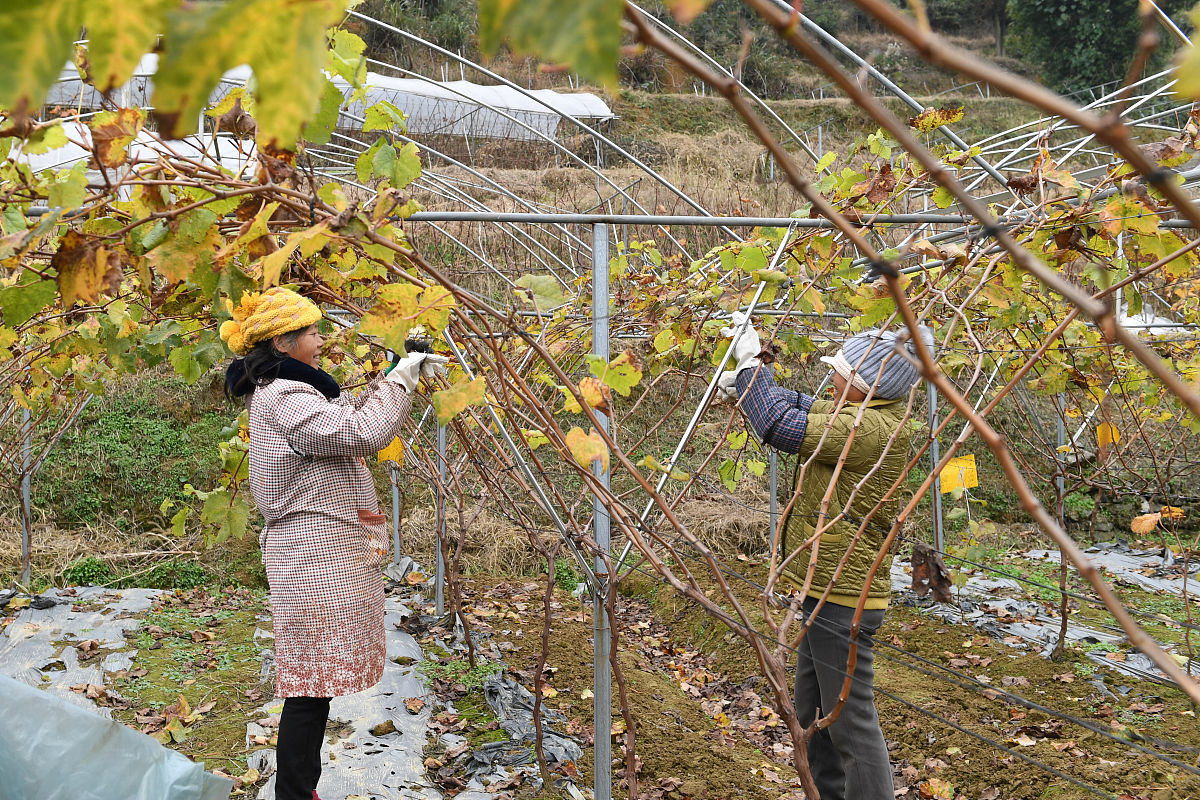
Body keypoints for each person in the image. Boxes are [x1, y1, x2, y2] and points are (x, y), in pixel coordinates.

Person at [220, 287, 448, 800]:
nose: (321, 340)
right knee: (307, 686)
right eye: (313, 332)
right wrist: (401, 381)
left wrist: (393, 373)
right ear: (284, 341)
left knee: (312, 682)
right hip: (310, 552)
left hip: (318, 547)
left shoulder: (295, 389)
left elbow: (347, 416)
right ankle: (296, 794)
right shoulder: (286, 396)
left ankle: (301, 791)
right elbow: (361, 433)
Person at [719, 312, 932, 800]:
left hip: (845, 598)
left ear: (866, 384)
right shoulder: (860, 414)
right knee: (814, 715)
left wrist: (753, 366)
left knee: (851, 725)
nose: (831, 378)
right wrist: (748, 387)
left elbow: (781, 426)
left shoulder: (873, 430)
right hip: (825, 590)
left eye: (841, 372)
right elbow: (803, 407)